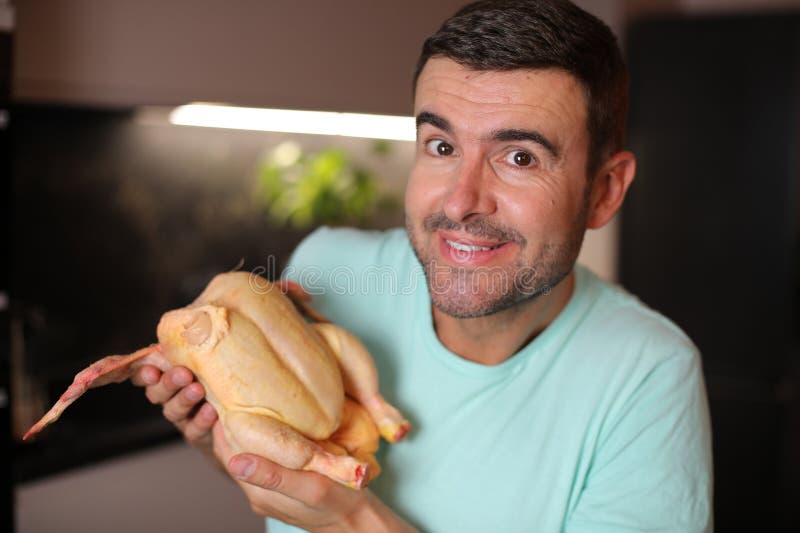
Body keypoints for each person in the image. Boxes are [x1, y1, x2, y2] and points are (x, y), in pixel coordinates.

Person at [132, 0, 713, 531]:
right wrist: (219, 437)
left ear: (605, 191)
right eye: (441, 146)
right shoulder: (326, 268)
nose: (461, 200)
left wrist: (353, 521)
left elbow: (334, 514)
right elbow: (292, 488)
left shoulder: (648, 376)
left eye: (518, 156)